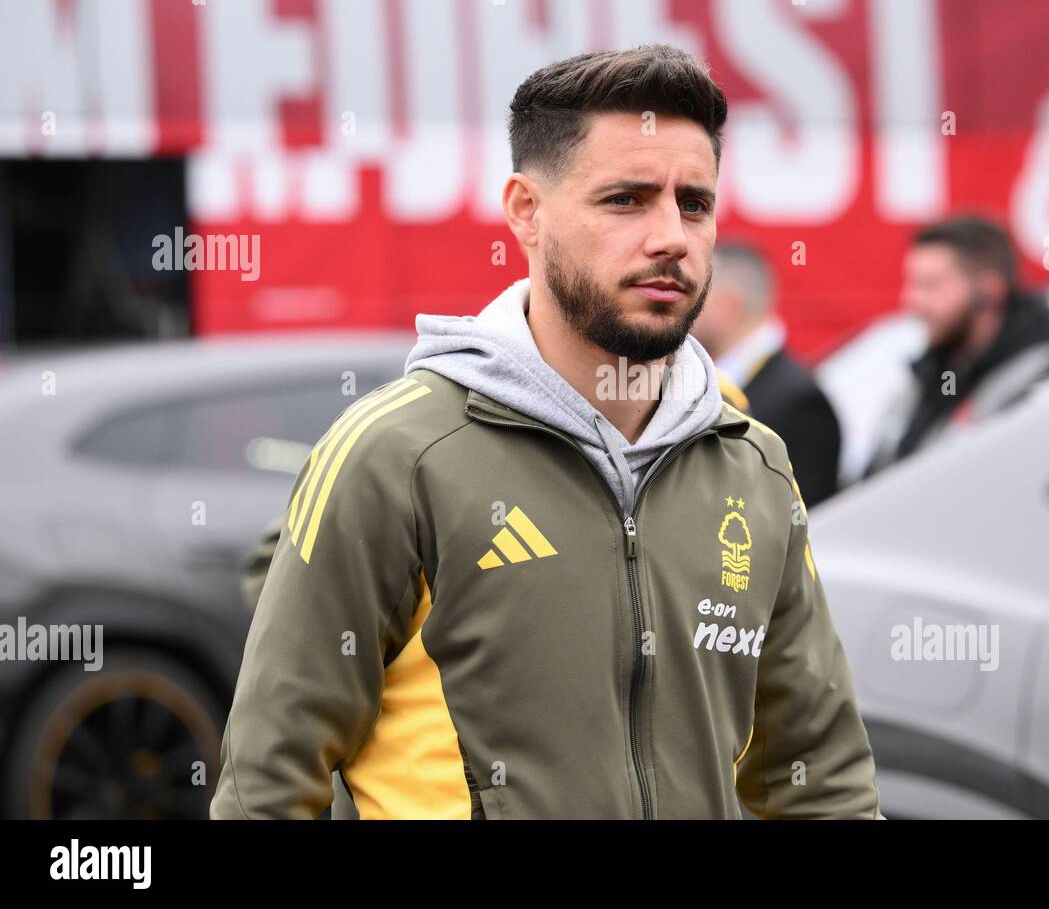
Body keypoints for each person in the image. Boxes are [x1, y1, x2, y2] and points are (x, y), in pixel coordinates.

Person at [210, 44, 882, 820]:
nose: (672, 236)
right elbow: (264, 786)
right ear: (527, 213)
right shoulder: (397, 453)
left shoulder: (753, 465)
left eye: (693, 203)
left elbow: (821, 779)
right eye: (626, 199)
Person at [865, 215, 1049, 476]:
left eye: (931, 285)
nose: (912, 301)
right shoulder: (929, 375)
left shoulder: (1040, 388)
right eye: (913, 284)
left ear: (988, 291)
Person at [692, 243, 842, 506]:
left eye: (697, 294)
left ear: (728, 305)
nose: (684, 307)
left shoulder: (800, 401)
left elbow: (804, 518)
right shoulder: (720, 382)